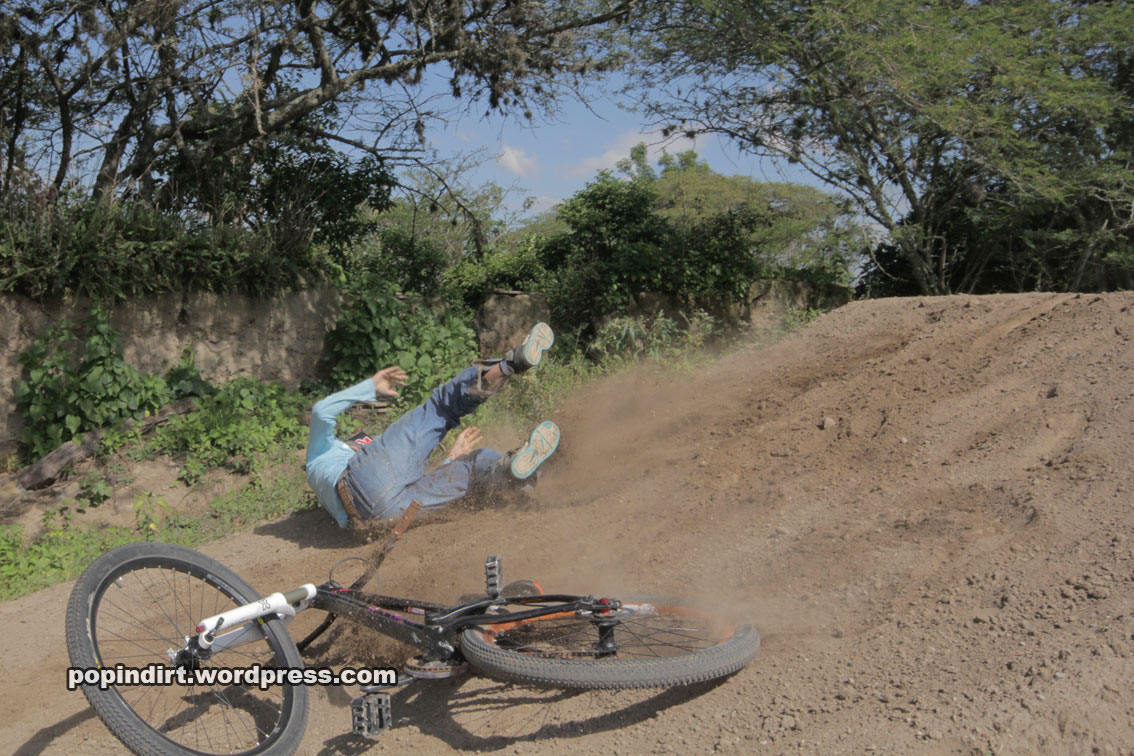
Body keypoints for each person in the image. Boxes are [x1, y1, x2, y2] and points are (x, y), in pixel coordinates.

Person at [305, 323, 560, 527]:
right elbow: (321, 411)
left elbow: (407, 487)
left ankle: (509, 471)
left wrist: (450, 460)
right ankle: (510, 363)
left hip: (380, 517)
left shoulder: (327, 478)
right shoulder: (318, 454)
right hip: (363, 479)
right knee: (441, 407)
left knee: (471, 466)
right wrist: (370, 387)